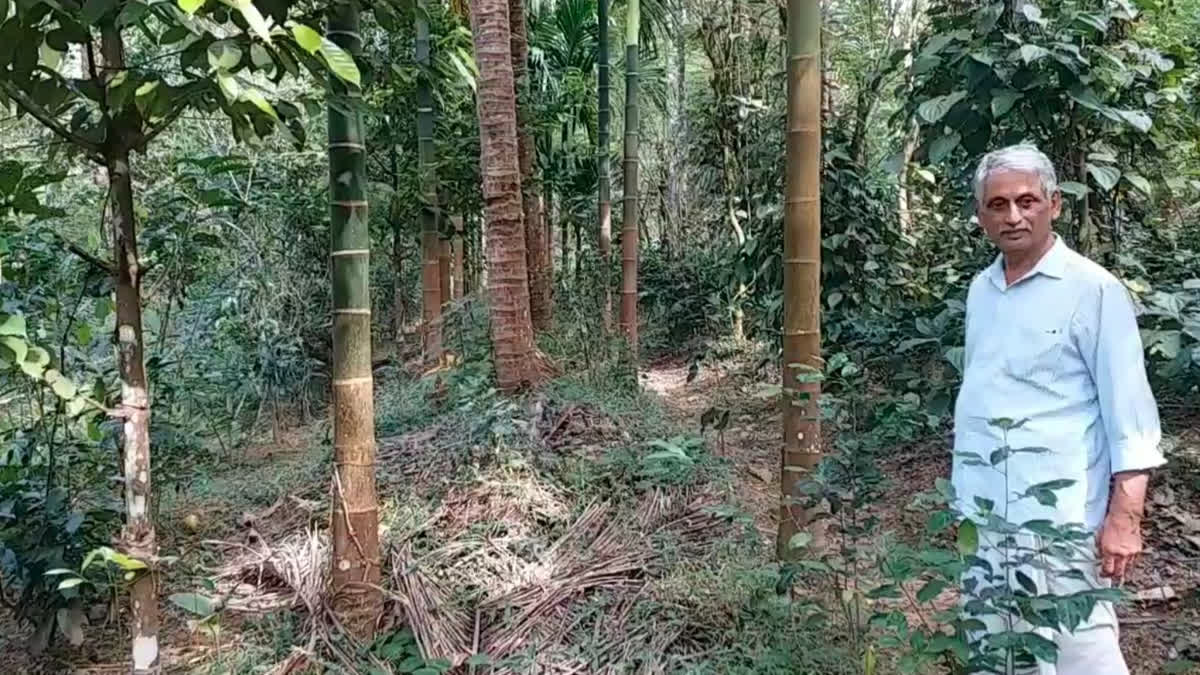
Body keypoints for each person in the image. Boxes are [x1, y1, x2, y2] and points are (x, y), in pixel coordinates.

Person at [951, 143, 1166, 674]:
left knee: (1080, 654)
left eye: (1027, 200)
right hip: (984, 517)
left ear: (1055, 205)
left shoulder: (1093, 290)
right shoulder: (982, 290)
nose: (1014, 215)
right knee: (995, 651)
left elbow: (1132, 416)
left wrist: (1125, 519)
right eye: (997, 204)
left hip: (1061, 523)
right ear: (981, 216)